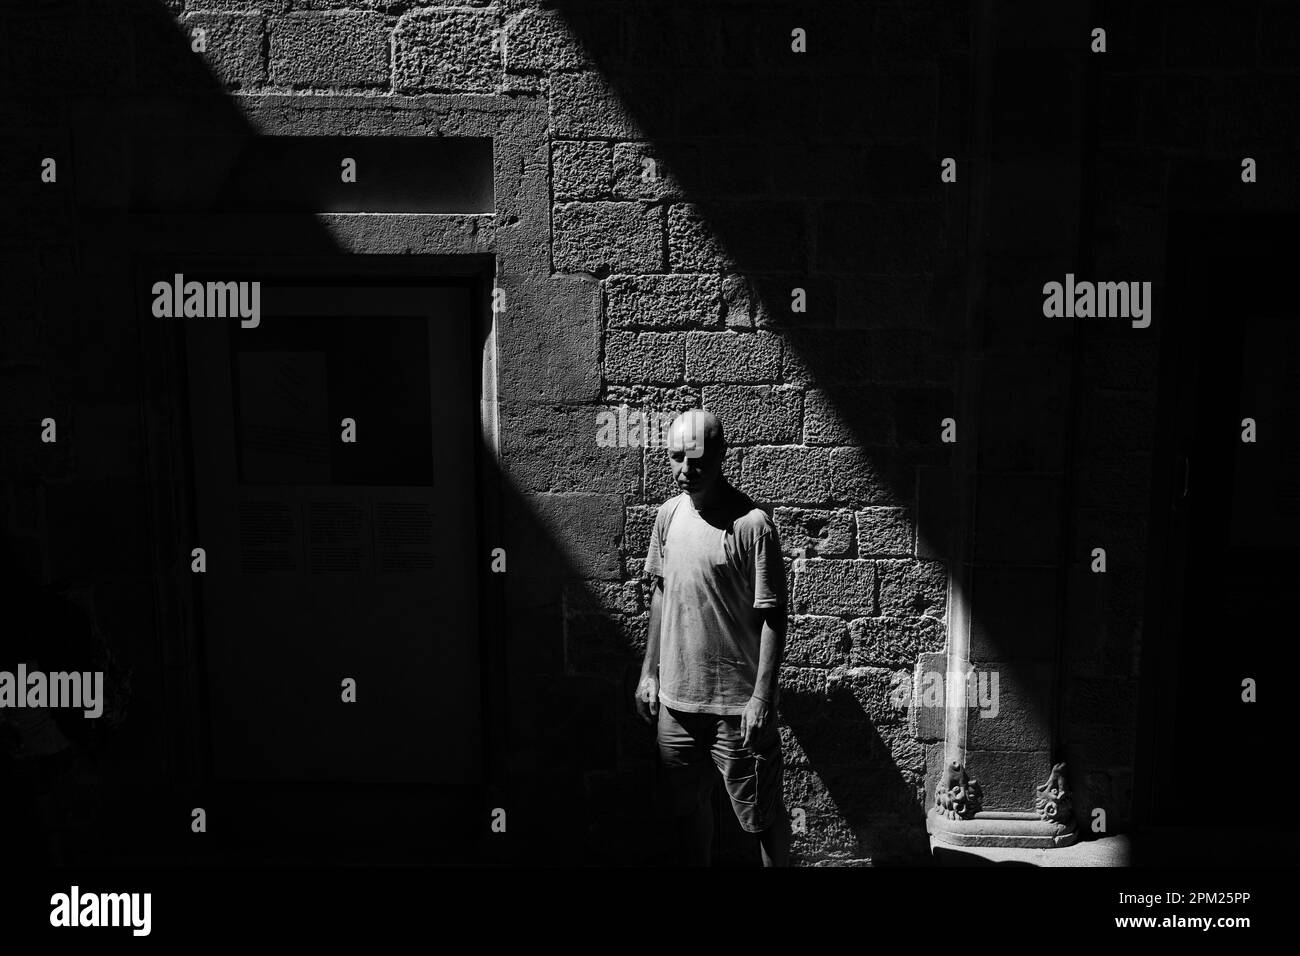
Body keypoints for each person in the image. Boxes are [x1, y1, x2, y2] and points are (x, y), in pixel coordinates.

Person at [635, 409, 792, 866]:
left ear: (722, 456)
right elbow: (662, 593)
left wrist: (762, 697)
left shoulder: (752, 526)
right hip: (677, 705)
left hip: (736, 709)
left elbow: (774, 616)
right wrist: (649, 674)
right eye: (676, 458)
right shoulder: (668, 516)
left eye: (698, 459)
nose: (686, 470)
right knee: (686, 810)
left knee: (761, 819)